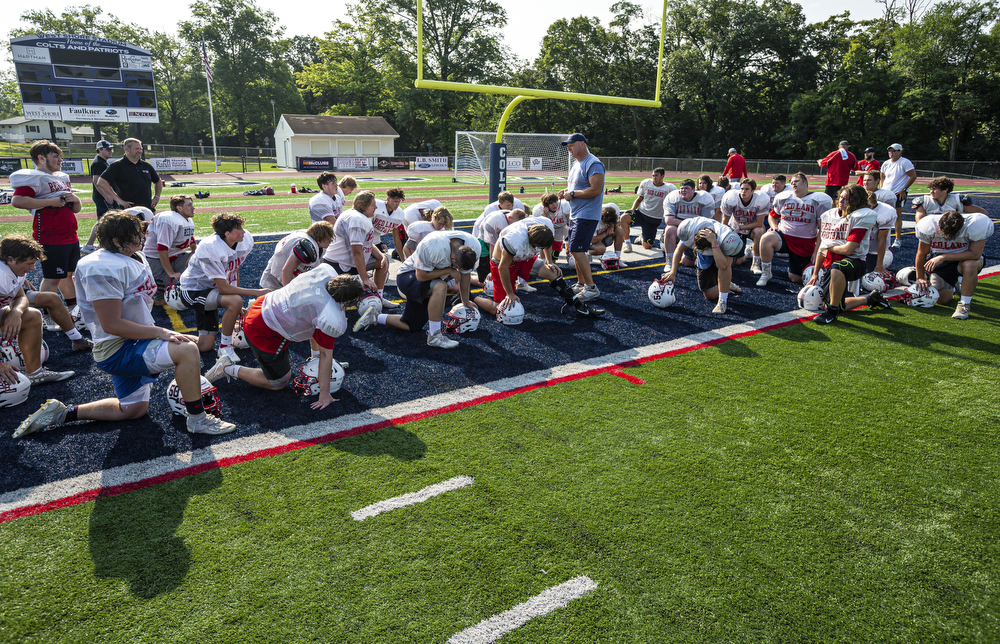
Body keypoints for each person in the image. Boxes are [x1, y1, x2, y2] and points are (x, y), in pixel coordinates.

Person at [14, 211, 237, 438]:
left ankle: (61, 413)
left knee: (132, 409)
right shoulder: (102, 267)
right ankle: (198, 420)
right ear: (116, 241)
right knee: (187, 350)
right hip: (117, 348)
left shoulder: (132, 257)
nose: (141, 240)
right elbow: (111, 324)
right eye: (135, 237)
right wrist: (160, 332)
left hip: (133, 339)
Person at [205, 270, 363, 409]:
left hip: (265, 303)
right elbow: (326, 354)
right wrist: (324, 393)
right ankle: (226, 368)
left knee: (315, 322)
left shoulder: (326, 272)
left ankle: (312, 360)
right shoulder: (330, 316)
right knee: (279, 382)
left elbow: (317, 328)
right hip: (264, 329)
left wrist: (317, 360)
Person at [353, 229, 480, 349]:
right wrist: (449, 270)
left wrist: (465, 301)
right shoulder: (433, 245)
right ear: (453, 259)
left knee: (412, 325)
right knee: (441, 286)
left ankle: (375, 316)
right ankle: (434, 336)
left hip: (429, 280)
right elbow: (421, 276)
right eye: (457, 267)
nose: (459, 270)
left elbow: (466, 275)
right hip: (408, 277)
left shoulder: (473, 245)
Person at [178, 213, 269, 360]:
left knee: (205, 346)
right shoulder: (210, 247)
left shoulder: (244, 241)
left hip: (211, 291)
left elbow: (234, 270)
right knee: (234, 301)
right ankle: (225, 347)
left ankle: (172, 337)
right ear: (227, 234)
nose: (243, 231)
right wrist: (257, 292)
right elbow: (224, 289)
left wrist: (238, 304)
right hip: (194, 291)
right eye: (238, 228)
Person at [477, 216, 604, 319]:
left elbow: (546, 243)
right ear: (532, 242)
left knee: (553, 273)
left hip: (524, 258)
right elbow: (502, 268)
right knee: (498, 310)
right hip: (503, 262)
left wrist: (549, 261)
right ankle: (471, 297)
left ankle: (579, 307)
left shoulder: (545, 226)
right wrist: (510, 293)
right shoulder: (515, 240)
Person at [10, 141, 83, 317]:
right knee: (52, 278)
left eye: (60, 156)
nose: (60, 159)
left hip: (70, 235)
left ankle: (73, 310)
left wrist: (76, 200)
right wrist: (51, 202)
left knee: (67, 275)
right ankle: (49, 316)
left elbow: (74, 208)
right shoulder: (34, 178)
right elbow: (17, 201)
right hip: (51, 237)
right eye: (55, 156)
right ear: (41, 158)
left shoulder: (61, 177)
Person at [807, 184, 891, 324]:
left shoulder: (861, 216)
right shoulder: (830, 215)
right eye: (841, 197)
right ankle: (871, 298)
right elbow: (823, 248)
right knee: (834, 304)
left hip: (855, 262)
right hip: (832, 265)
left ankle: (831, 313)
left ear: (856, 201)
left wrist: (829, 246)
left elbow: (848, 250)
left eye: (846, 199)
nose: (841, 201)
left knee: (837, 267)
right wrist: (815, 273)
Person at [1, 235, 79, 384]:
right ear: (10, 259)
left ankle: (35, 372)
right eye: (29, 263)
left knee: (32, 315)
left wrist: (16, 312)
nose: (33, 268)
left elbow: (21, 297)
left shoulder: (13, 270)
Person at [914, 210, 994, 319]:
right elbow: (922, 253)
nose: (948, 236)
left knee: (970, 265)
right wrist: (920, 277)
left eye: (953, 233)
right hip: (942, 262)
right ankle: (955, 286)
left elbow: (975, 254)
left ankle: (964, 304)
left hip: (966, 259)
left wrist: (944, 257)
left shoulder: (976, 224)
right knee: (941, 299)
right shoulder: (928, 226)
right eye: (945, 232)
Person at [756, 173, 833, 286]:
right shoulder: (784, 197)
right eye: (791, 182)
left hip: (805, 242)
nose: (793, 183)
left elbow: (823, 228)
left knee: (795, 278)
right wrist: (774, 226)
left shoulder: (818, 200)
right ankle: (766, 273)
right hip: (784, 237)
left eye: (796, 181)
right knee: (766, 238)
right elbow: (773, 215)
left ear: (805, 183)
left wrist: (817, 250)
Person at [323, 191, 396, 309]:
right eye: (373, 205)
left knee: (383, 261)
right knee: (338, 305)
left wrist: (382, 256)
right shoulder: (358, 220)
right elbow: (357, 252)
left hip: (348, 263)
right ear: (363, 206)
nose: (376, 207)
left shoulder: (358, 216)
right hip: (339, 265)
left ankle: (379, 297)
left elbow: (366, 244)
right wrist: (365, 279)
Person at [662, 217, 745, 314]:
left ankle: (722, 301)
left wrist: (714, 243)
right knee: (710, 295)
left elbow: (723, 266)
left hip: (721, 249)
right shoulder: (689, 230)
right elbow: (679, 250)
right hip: (704, 256)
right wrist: (673, 272)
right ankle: (725, 285)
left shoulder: (725, 238)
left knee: (723, 267)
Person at [557, 133, 605, 302]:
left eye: (572, 145)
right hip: (577, 213)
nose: (569, 148)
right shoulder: (577, 163)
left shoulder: (593, 163)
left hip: (587, 214)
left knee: (577, 249)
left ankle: (591, 287)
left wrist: (572, 193)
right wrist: (566, 191)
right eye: (567, 146)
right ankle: (581, 282)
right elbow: (576, 187)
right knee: (576, 249)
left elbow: (595, 190)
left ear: (583, 144)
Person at [142, 195, 197, 305]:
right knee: (159, 300)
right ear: (179, 208)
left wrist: (196, 253)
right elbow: (162, 249)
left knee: (200, 259)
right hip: (156, 259)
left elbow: (190, 239)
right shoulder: (168, 220)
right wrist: (171, 273)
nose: (193, 208)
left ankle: (188, 286)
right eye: (189, 205)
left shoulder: (187, 220)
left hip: (175, 256)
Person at [260, 221, 334, 290]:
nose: (331, 240)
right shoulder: (306, 248)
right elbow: (286, 270)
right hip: (276, 283)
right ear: (319, 239)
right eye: (329, 238)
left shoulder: (309, 238)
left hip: (277, 275)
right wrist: (287, 294)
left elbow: (318, 265)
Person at [94, 138, 161, 211]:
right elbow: (101, 182)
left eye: (140, 149)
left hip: (147, 209)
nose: (140, 151)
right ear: (127, 149)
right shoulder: (117, 166)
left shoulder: (146, 166)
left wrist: (156, 196)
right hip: (128, 211)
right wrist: (119, 200)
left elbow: (158, 181)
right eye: (137, 149)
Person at [721, 179, 771, 271]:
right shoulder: (731, 197)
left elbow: (759, 223)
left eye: (747, 189)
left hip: (751, 227)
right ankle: (747, 253)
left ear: (753, 191)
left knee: (759, 231)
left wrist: (740, 227)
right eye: (742, 188)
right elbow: (724, 221)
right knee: (738, 262)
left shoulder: (760, 199)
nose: (743, 191)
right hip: (735, 225)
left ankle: (755, 263)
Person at [662, 179, 716, 263]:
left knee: (687, 262)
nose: (683, 190)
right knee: (669, 230)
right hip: (679, 228)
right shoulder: (672, 197)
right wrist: (688, 225)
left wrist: (691, 227)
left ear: (694, 190)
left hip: (697, 230)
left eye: (686, 188)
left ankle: (700, 255)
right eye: (682, 188)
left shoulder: (705, 198)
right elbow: (669, 220)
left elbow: (706, 223)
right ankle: (669, 261)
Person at [81, 140, 115, 255]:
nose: (111, 151)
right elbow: (96, 182)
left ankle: (95, 244)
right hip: (102, 197)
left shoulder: (102, 161)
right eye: (108, 149)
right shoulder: (99, 163)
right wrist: (106, 196)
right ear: (100, 149)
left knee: (103, 220)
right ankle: (90, 245)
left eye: (111, 149)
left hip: (103, 196)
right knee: (102, 221)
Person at [630, 167, 676, 251]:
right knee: (623, 219)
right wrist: (633, 208)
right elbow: (639, 198)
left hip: (654, 218)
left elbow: (676, 202)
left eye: (656, 176)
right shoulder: (646, 183)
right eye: (653, 175)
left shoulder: (670, 188)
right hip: (642, 213)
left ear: (662, 176)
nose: (654, 178)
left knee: (647, 246)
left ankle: (641, 237)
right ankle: (627, 243)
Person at [880, 143, 917, 248]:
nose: (891, 153)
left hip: (897, 193)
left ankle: (897, 239)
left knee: (897, 215)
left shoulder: (905, 162)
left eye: (894, 151)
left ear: (900, 151)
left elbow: (913, 176)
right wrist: (882, 189)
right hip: (886, 193)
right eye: (890, 151)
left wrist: (904, 189)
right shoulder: (886, 163)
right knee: (882, 215)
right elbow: (882, 177)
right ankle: (884, 237)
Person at [913, 176, 988, 222]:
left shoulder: (957, 200)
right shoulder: (925, 201)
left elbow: (982, 212)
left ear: (945, 189)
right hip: (932, 235)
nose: (931, 192)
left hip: (955, 235)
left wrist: (968, 225)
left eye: (934, 189)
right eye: (931, 189)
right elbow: (919, 223)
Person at [865, 191, 898, 275]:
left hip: (874, 250)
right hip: (860, 248)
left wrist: (879, 264)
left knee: (871, 275)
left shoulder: (885, 212)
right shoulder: (857, 207)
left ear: (875, 203)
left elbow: (882, 239)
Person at [532, 193, 572, 259]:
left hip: (560, 228)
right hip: (546, 230)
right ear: (545, 205)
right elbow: (540, 229)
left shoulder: (564, 206)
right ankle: (542, 259)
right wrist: (545, 216)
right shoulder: (539, 210)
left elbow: (570, 224)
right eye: (551, 203)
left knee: (555, 253)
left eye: (555, 202)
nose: (554, 205)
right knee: (543, 241)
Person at [372, 188, 406, 257]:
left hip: (376, 240)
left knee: (383, 263)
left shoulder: (399, 214)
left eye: (399, 201)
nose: (397, 204)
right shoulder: (376, 207)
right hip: (365, 240)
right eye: (395, 201)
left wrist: (402, 258)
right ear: (388, 199)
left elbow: (396, 238)